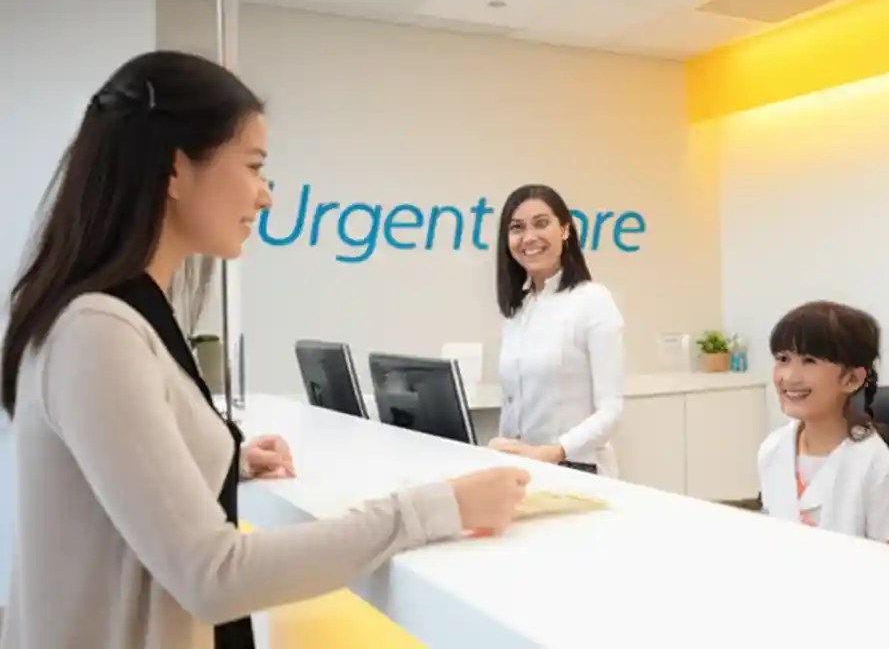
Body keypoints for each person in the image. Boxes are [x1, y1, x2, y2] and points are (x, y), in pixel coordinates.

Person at [0, 51, 530, 649]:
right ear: (174, 170)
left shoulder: (111, 316)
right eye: (254, 167)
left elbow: (130, 481)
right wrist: (436, 509)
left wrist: (218, 458)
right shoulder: (96, 331)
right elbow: (214, 575)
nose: (266, 196)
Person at [487, 184, 625, 476]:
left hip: (578, 469)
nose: (529, 237)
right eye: (517, 228)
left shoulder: (593, 300)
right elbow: (513, 405)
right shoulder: (518, 311)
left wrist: (552, 452)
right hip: (524, 470)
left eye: (541, 223)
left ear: (565, 230)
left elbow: (611, 411)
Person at [757, 301, 889, 545]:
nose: (790, 376)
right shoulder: (773, 449)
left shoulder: (877, 468)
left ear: (852, 379)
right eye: (783, 359)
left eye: (809, 361)